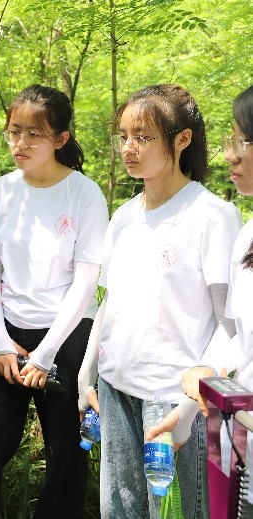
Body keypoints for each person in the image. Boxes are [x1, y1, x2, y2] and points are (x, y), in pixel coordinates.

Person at [77, 84, 241, 519]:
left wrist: (192, 406)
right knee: (119, 512)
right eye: (124, 137)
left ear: (182, 139)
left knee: (176, 513)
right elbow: (111, 304)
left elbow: (231, 325)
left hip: (172, 400)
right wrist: (86, 374)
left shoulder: (213, 216)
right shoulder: (124, 216)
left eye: (144, 137)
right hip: (115, 391)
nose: (129, 148)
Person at [0, 84, 108, 519]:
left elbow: (86, 278)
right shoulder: (0, 191)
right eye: (13, 132)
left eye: (34, 134)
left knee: (66, 455)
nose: (20, 144)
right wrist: (3, 342)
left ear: (61, 139)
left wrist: (45, 355)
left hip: (66, 337)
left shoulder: (85, 194)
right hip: (8, 333)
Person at [157, 85, 253, 518]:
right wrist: (188, 407)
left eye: (240, 142)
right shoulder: (249, 235)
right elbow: (234, 334)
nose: (230, 155)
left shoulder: (220, 217)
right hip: (243, 448)